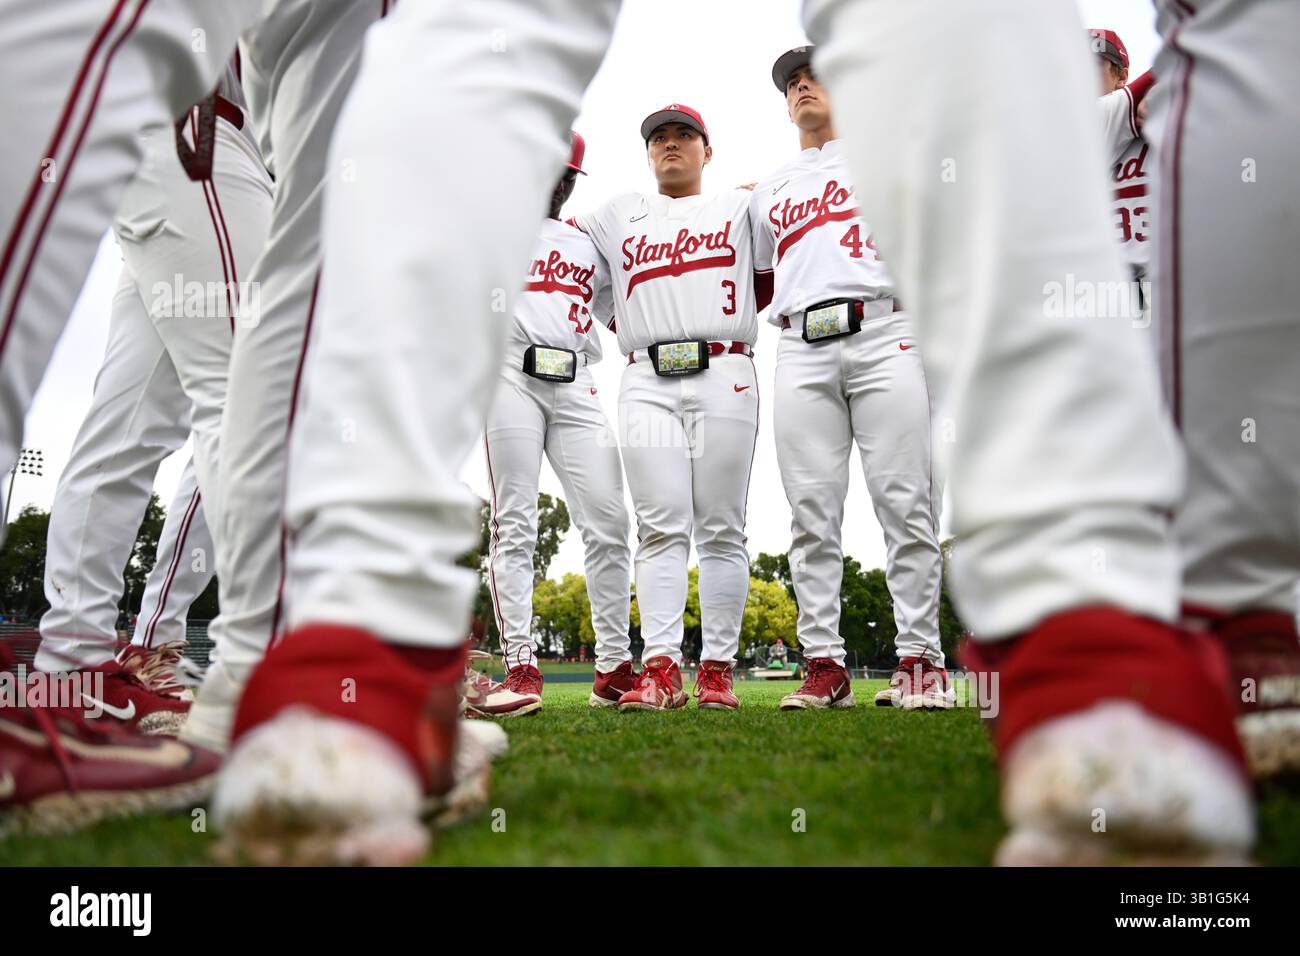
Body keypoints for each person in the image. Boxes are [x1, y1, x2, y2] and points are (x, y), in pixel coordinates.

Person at [32, 64, 271, 736]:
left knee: (129, 428)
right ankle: (275, 667)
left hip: (163, 143)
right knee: (253, 401)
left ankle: (74, 670)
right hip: (201, 138)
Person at [752, 47, 949, 713]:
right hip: (800, 346)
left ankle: (921, 660)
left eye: (815, 76)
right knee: (811, 515)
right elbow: (750, 279)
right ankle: (824, 665)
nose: (802, 86)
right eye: (792, 83)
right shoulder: (770, 189)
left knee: (905, 502)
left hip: (885, 331)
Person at [568, 104, 770, 712]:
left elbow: (772, 276)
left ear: (709, 150)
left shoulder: (742, 206)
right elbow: (563, 252)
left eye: (685, 135)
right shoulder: (617, 213)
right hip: (646, 375)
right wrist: (624, 323)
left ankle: (717, 672)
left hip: (725, 366)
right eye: (659, 137)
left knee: (721, 525)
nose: (671, 144)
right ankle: (660, 670)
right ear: (647, 152)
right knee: (659, 526)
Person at [481, 132, 636, 714]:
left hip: (576, 383)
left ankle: (614, 668)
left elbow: (623, 314)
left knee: (608, 520)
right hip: (509, 378)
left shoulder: (585, 243)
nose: (559, 180)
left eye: (570, 173)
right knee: (514, 521)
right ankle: (521, 666)